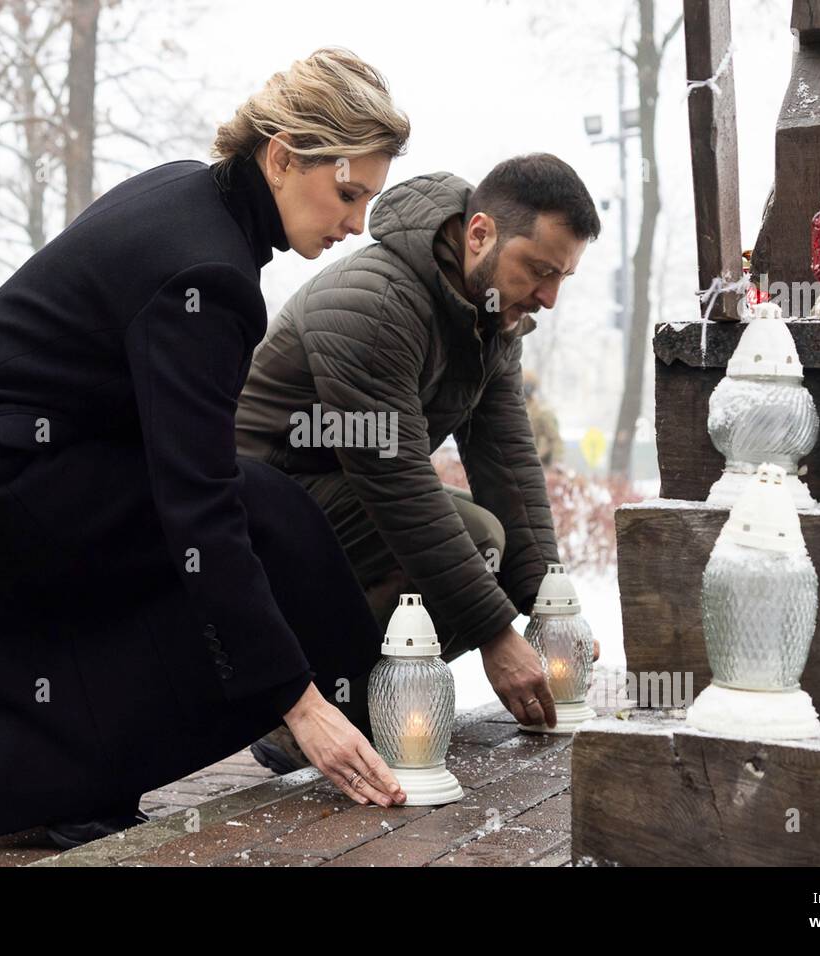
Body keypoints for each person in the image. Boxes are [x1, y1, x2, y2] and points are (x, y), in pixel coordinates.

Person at [0, 48, 411, 850]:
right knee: (258, 524)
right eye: (347, 193)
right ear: (281, 157)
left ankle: (63, 780)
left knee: (256, 515)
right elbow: (200, 509)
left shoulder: (190, 195)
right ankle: (313, 717)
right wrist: (300, 701)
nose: (355, 224)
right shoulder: (206, 275)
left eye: (369, 200)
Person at [236, 154, 601, 771]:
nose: (548, 297)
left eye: (561, 277)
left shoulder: (491, 321)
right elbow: (397, 483)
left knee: (490, 533)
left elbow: (509, 467)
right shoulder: (376, 303)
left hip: (332, 498)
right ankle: (305, 716)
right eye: (539, 270)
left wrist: (551, 609)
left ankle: (355, 714)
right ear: (480, 233)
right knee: (477, 537)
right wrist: (495, 635)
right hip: (251, 503)